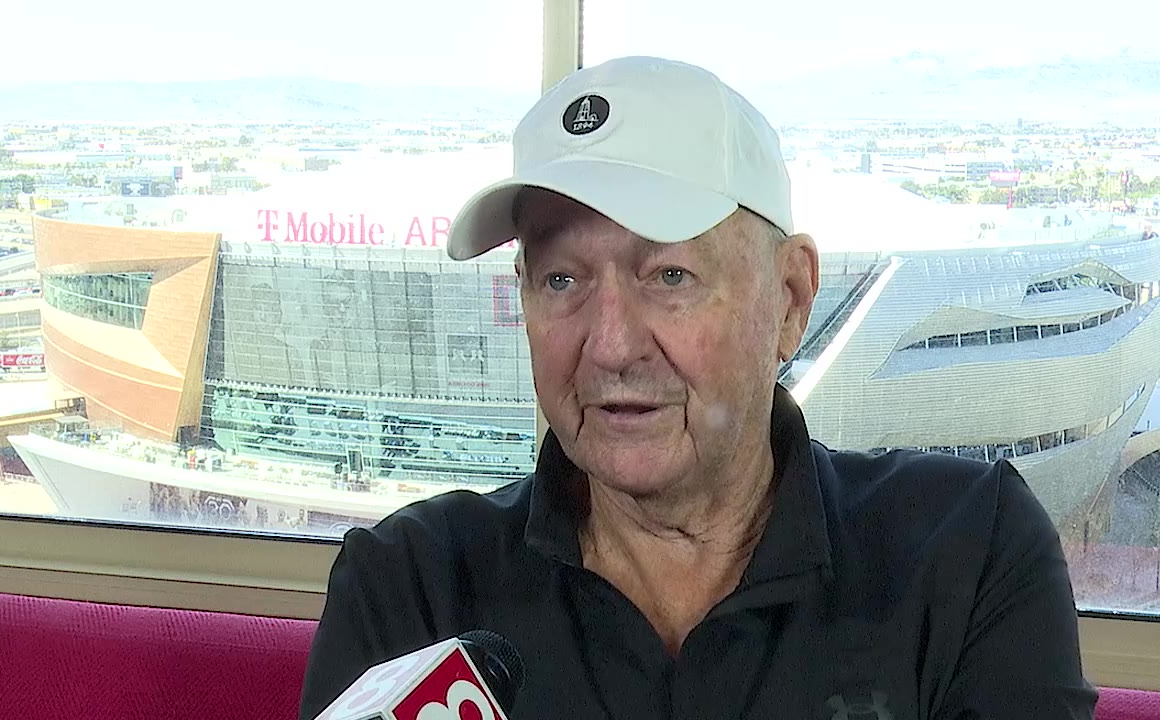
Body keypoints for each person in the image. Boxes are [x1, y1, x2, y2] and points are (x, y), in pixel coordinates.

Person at [298, 56, 1097, 719]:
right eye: (561, 278)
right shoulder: (412, 585)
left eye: (669, 274)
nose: (609, 344)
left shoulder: (967, 554)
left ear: (789, 299)